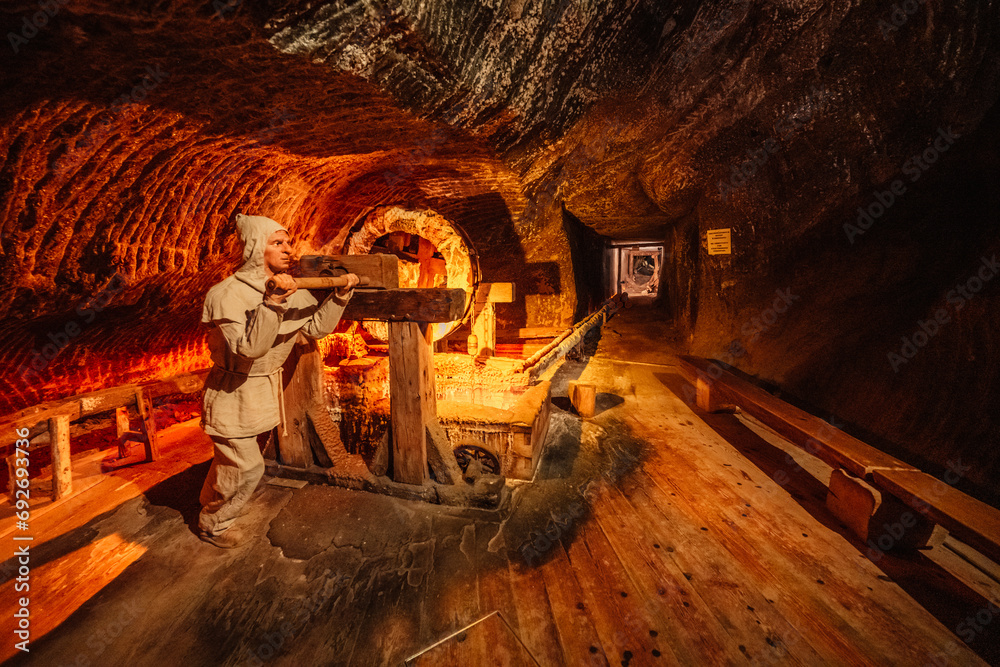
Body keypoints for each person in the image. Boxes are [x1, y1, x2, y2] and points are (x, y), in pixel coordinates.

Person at [198, 213, 359, 548]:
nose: (289, 249)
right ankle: (212, 523)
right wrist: (271, 303)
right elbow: (249, 350)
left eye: (288, 242)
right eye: (278, 242)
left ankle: (212, 501)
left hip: (262, 391)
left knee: (230, 464)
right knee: (248, 468)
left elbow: (314, 329)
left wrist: (341, 295)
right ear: (256, 247)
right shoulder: (226, 295)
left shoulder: (291, 288)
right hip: (232, 392)